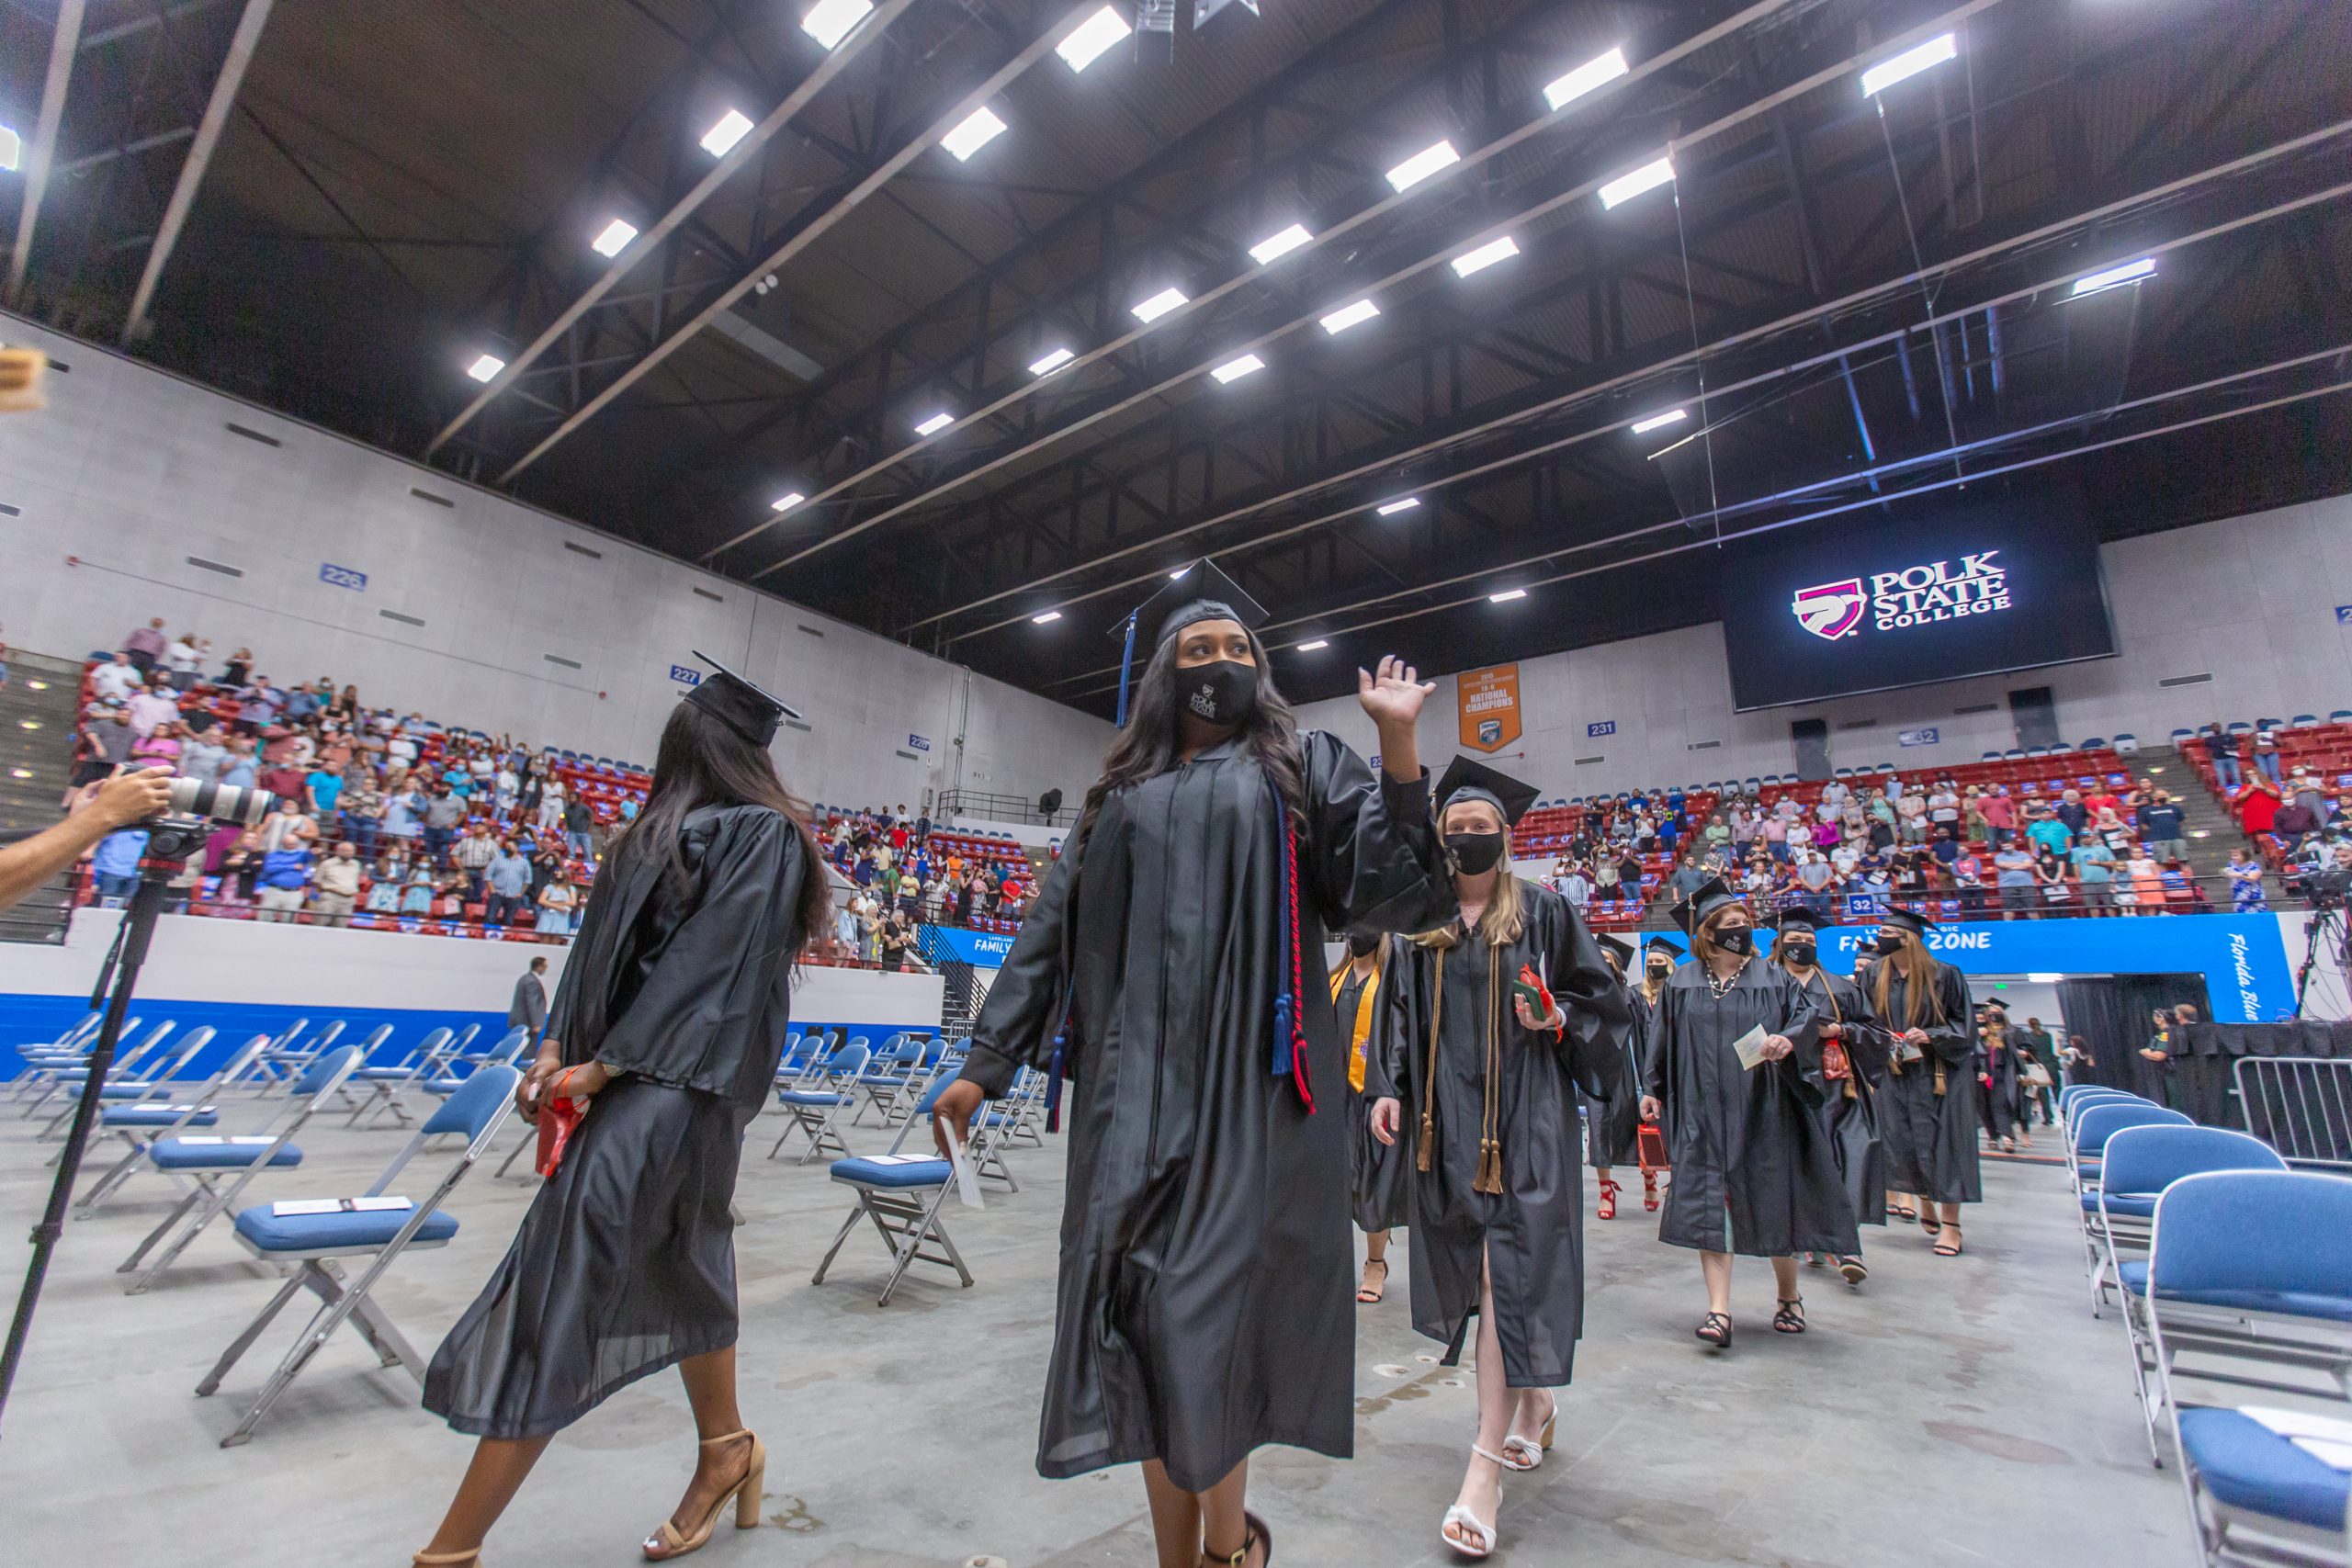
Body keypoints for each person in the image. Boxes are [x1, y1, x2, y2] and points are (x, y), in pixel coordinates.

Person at [930, 563, 1452, 1568]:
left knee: (1201, 1324)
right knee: (1143, 1330)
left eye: (1237, 650)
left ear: (1263, 673)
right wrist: (986, 1060)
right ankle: (1206, 1553)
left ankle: (1223, 1541)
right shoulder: (1116, 798)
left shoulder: (1303, 770)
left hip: (1250, 1104)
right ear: (1162, 677)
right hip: (1127, 1106)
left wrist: (1396, 742)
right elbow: (1048, 931)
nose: (1220, 664)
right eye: (1196, 651)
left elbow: (1396, 897)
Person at [416, 651, 831, 1566]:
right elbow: (588, 956)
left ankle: (450, 1549)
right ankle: (726, 1450)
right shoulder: (647, 831)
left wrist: (603, 1068)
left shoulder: (758, 835)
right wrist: (559, 1050)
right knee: (682, 1262)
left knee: (567, 1278)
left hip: (680, 1089)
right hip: (623, 1077)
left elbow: (711, 971)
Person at [1365, 757, 1628, 1559]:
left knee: (1498, 1271)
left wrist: (1558, 1019)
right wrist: (1389, 1086)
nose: (1469, 840)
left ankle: (1483, 1469)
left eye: (1482, 830)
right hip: (1447, 1128)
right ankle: (1535, 1402)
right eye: (1457, 831)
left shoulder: (1544, 913)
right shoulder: (1423, 924)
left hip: (1531, 1124)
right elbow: (1399, 1017)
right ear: (1441, 840)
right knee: (1491, 1275)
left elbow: (1605, 1004)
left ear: (1506, 839)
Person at [1639, 876, 1850, 1349]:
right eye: (1731, 923)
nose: (1742, 929)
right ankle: (1719, 1310)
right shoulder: (1682, 981)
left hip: (1764, 1106)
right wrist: (1651, 1088)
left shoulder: (1772, 978)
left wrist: (1787, 1040)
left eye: (1745, 922)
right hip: (1701, 1108)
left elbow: (1805, 1020)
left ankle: (1788, 1296)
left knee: (1774, 1199)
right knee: (1710, 1205)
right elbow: (1661, 1037)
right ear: (1707, 932)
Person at [1770, 908, 1884, 1284]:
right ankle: (1812, 1239)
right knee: (1796, 1166)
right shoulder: (1765, 984)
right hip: (1783, 1089)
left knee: (1848, 1157)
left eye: (1809, 942)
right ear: (1780, 943)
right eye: (1794, 941)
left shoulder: (1840, 987)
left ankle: (1849, 1246)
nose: (1801, 947)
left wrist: (1841, 1029)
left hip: (1836, 1087)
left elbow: (1875, 1032)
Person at [1868, 908, 1979, 1257]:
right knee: (1902, 1144)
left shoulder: (1943, 974)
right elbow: (1863, 1021)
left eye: (1887, 930)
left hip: (1937, 1076)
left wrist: (1931, 1035)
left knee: (1945, 1149)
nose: (1880, 935)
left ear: (1908, 937)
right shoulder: (1874, 974)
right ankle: (1924, 1200)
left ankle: (1952, 1227)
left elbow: (1965, 1027)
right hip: (1896, 1073)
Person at [1329, 929, 1401, 1305]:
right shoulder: (1333, 981)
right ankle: (1334, 1263)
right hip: (1335, 1098)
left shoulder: (1391, 983)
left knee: (1375, 1184)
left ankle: (1376, 1264)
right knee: (1332, 1186)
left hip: (1372, 1096)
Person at [1579, 932, 1645, 1221]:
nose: (1603, 966)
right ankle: (1606, 1190)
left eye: (1609, 961)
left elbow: (1646, 1038)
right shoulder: (1586, 997)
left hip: (1629, 1072)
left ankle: (1650, 1180)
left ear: (1618, 966)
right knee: (1598, 1130)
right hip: (1596, 1072)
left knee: (1635, 1127)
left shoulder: (1633, 998)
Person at [1976, 1003, 2024, 1153]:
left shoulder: (2010, 1032)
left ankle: (2007, 1137)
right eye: (1990, 1012)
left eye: (1997, 1012)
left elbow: (2024, 1048)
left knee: (1999, 1106)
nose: (1994, 1015)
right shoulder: (1981, 1033)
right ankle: (1993, 1136)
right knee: (1983, 1108)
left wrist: (2022, 1053)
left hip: (2002, 1073)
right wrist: (1977, 1035)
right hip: (1980, 1074)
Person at [311, 840, 362, 927]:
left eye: (351, 851)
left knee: (341, 928)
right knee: (320, 924)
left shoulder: (356, 864)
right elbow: (316, 881)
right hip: (330, 897)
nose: (348, 853)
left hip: (348, 899)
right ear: (338, 851)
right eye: (345, 851)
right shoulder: (327, 864)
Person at [508, 955, 548, 1039]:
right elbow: (532, 1003)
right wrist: (535, 1023)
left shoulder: (525, 978)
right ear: (539, 967)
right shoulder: (532, 981)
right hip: (528, 1022)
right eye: (545, 966)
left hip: (521, 1021)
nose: (546, 969)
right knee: (530, 1050)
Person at [2225, 846, 2267, 911]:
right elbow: (2227, 872)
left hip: (2253, 894)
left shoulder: (2253, 866)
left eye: (2236, 856)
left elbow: (2253, 878)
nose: (2233, 858)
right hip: (2239, 894)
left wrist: (2240, 875)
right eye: (2232, 855)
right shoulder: (2231, 864)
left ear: (2245, 856)